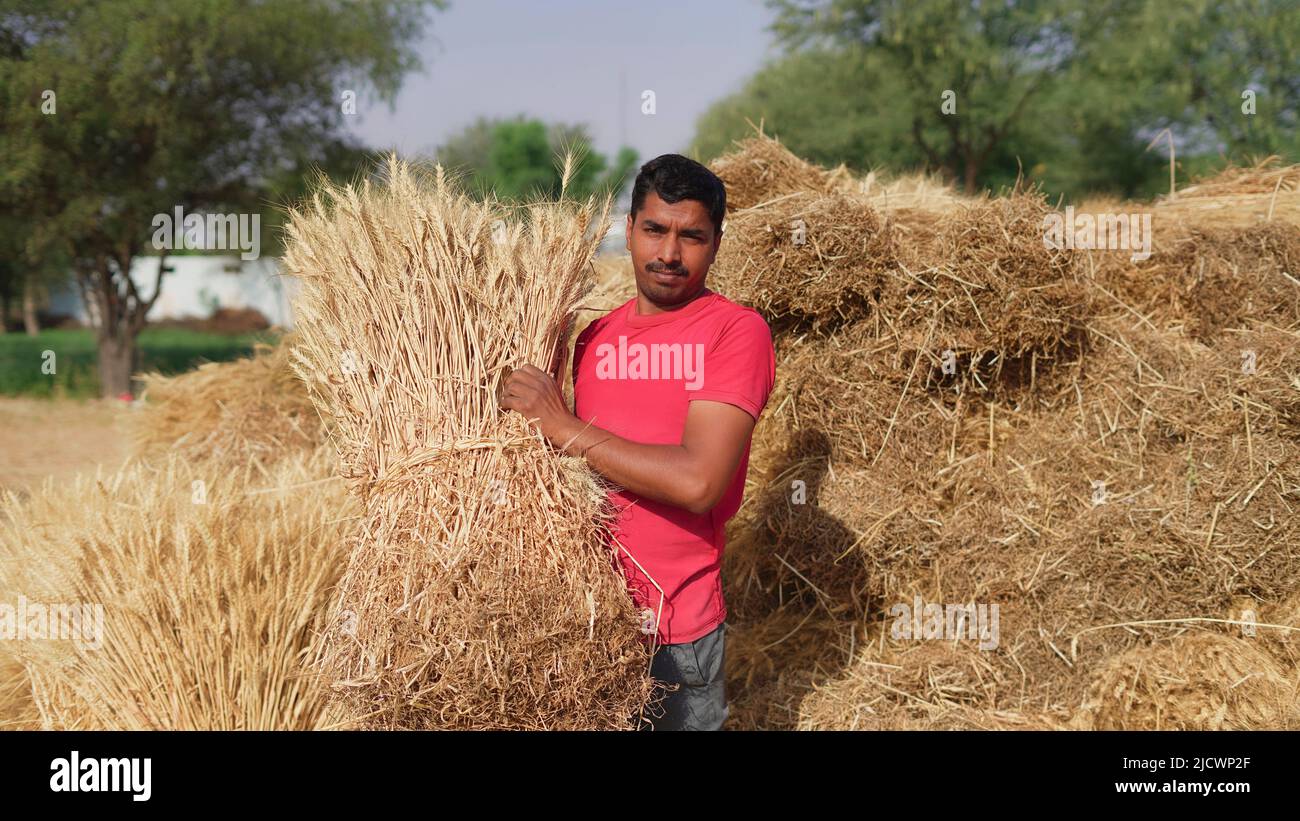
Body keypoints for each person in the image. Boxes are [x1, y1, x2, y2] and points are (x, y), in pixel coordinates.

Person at [499, 153, 776, 730]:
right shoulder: (592, 335)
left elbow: (698, 482)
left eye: (691, 237)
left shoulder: (736, 332)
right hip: (582, 623)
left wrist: (563, 426)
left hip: (675, 635)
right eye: (654, 230)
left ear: (716, 243)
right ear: (628, 232)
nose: (669, 254)